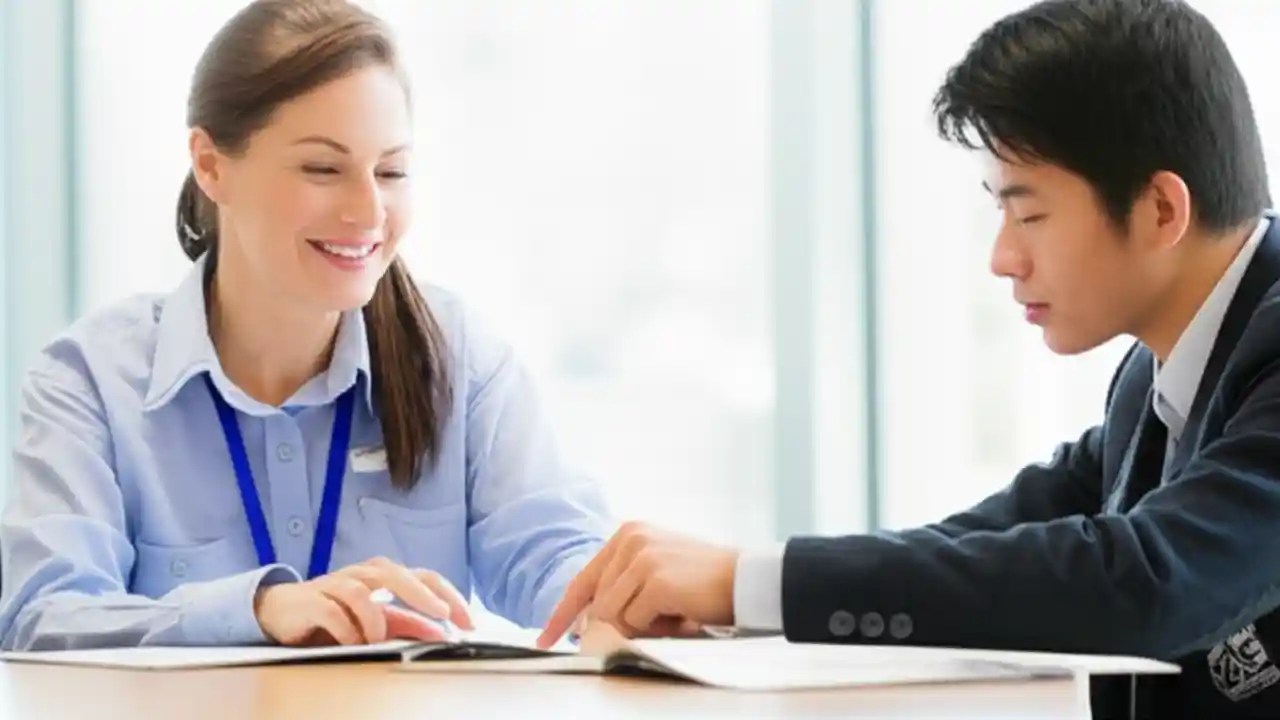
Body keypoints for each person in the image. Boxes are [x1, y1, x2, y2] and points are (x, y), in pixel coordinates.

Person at [538, 0, 1280, 716]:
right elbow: (993, 541)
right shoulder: (1155, 377)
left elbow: (1145, 581)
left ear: (1161, 210)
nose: (1003, 257)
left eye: (1030, 214)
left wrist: (742, 583)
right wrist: (740, 593)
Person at [0, 0, 609, 651]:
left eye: (391, 172)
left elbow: (557, 561)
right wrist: (256, 609)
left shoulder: (459, 360)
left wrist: (624, 604)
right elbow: (42, 616)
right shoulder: (93, 379)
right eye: (323, 169)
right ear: (211, 165)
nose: (368, 212)